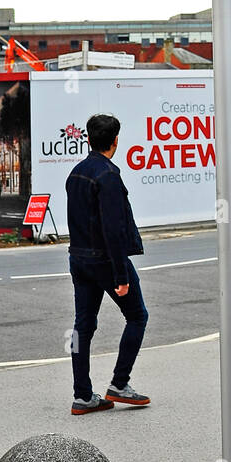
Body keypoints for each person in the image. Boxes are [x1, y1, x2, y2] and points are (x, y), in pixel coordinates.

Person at [66, 113, 150, 416]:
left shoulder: (76, 173)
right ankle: (119, 383)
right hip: (105, 260)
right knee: (138, 316)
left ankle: (83, 396)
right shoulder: (108, 176)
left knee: (83, 327)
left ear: (88, 139)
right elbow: (112, 230)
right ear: (116, 141)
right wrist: (120, 275)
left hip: (79, 258)